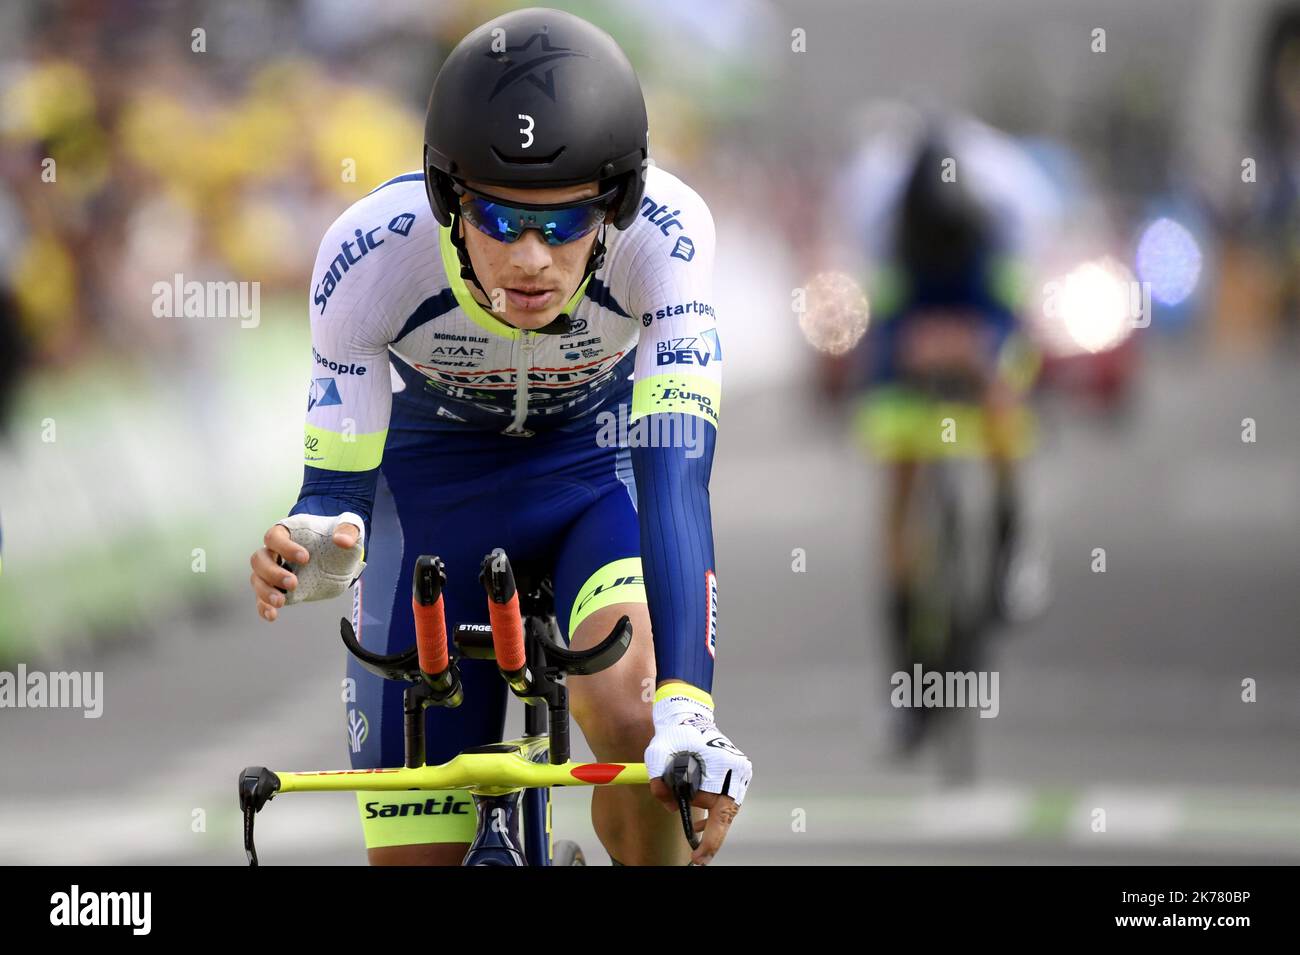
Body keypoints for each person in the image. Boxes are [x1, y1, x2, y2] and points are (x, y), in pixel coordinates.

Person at [246, 7, 749, 866]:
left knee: (641, 733)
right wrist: (315, 540)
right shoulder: (367, 256)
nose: (529, 259)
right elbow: (335, 489)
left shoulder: (667, 236)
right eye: (497, 218)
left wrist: (687, 708)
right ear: (449, 198)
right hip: (435, 502)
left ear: (618, 204)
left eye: (564, 225)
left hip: (598, 474)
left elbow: (675, 481)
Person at [850, 124, 1043, 748]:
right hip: (910, 361)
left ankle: (1012, 545)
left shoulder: (1000, 220)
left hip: (978, 336)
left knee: (1005, 407)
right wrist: (908, 352)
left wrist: (984, 356)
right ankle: (905, 663)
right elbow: (880, 343)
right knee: (899, 479)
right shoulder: (884, 228)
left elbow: (1015, 328)